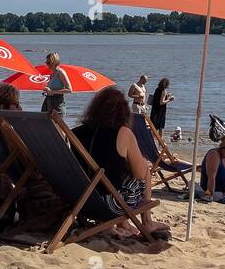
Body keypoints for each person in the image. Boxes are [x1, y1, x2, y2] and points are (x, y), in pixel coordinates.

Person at [71, 86, 169, 239]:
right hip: (110, 205)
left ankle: (121, 224)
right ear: (123, 111)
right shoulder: (122, 133)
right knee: (146, 169)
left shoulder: (76, 132)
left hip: (81, 201)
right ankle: (147, 222)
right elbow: (140, 173)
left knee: (117, 171)